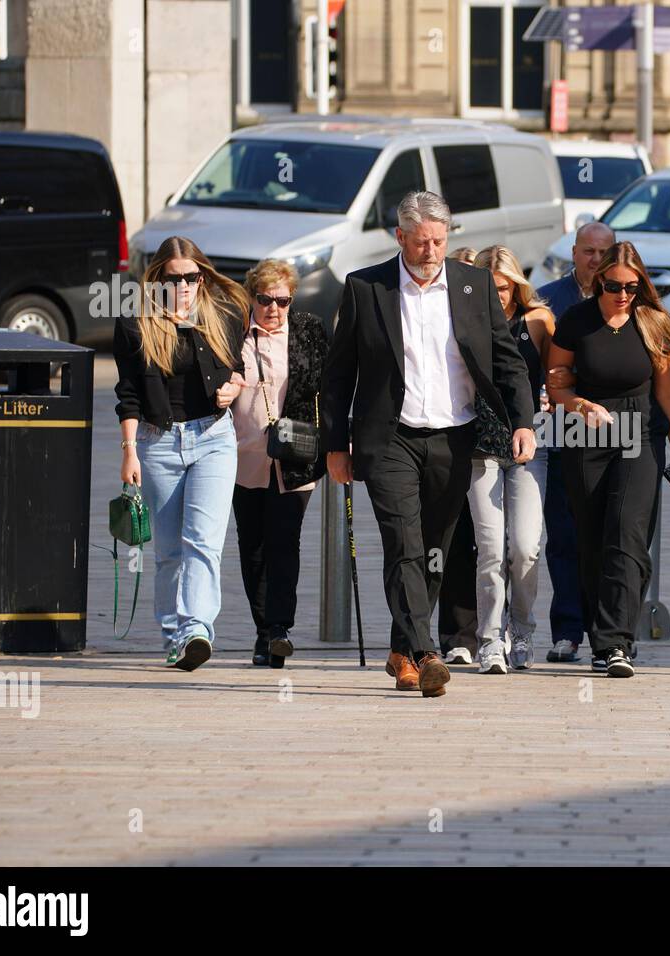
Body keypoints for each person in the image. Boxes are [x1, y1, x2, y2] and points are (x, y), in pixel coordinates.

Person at [321, 191, 536, 698]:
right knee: (403, 543)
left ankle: (401, 654)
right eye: (421, 242)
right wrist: (334, 443)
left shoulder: (474, 285)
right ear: (400, 238)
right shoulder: (365, 288)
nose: (431, 252)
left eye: (439, 241)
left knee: (434, 551)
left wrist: (521, 421)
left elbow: (507, 361)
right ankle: (425, 652)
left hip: (453, 435)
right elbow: (338, 375)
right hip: (388, 436)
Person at [545, 241, 670, 678]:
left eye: (632, 286)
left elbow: (667, 393)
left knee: (627, 535)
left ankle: (617, 644)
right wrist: (579, 406)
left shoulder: (654, 323)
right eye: (614, 285)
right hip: (583, 432)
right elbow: (556, 385)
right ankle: (599, 637)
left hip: (639, 434)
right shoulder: (575, 321)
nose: (623, 294)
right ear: (599, 282)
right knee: (590, 539)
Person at [114, 235, 249, 671]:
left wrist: (235, 384)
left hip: (213, 437)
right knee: (170, 549)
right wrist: (129, 451)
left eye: (193, 277)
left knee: (203, 542)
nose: (185, 286)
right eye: (175, 279)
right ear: (156, 279)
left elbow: (238, 367)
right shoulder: (136, 323)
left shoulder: (223, 313)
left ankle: (196, 629)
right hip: (158, 442)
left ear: (203, 275)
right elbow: (129, 393)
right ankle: (174, 636)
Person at [231, 258, 329, 669]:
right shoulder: (232, 333)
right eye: (265, 299)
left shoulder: (309, 330)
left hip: (296, 458)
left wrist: (342, 441)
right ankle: (260, 631)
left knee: (284, 542)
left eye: (282, 300)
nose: (274, 308)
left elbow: (332, 385)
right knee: (252, 547)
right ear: (252, 296)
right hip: (243, 456)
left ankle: (279, 631)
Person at [468, 246, 555, 673]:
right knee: (488, 548)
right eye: (490, 288)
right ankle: (488, 640)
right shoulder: (465, 321)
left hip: (528, 445)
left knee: (524, 547)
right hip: (478, 445)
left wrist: (558, 400)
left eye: (504, 288)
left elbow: (559, 373)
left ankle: (522, 628)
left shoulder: (537, 321)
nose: (498, 296)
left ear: (516, 287)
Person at [537, 221, 615, 663]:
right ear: (573, 252)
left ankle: (610, 631)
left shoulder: (628, 295)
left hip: (614, 432)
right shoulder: (549, 298)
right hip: (563, 430)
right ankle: (567, 630)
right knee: (564, 534)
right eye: (587, 251)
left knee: (610, 535)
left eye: (603, 252)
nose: (594, 260)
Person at [439, 245, 482, 664]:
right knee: (454, 539)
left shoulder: (489, 321)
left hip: (486, 442)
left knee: (493, 543)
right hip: (443, 438)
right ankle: (457, 638)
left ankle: (496, 635)